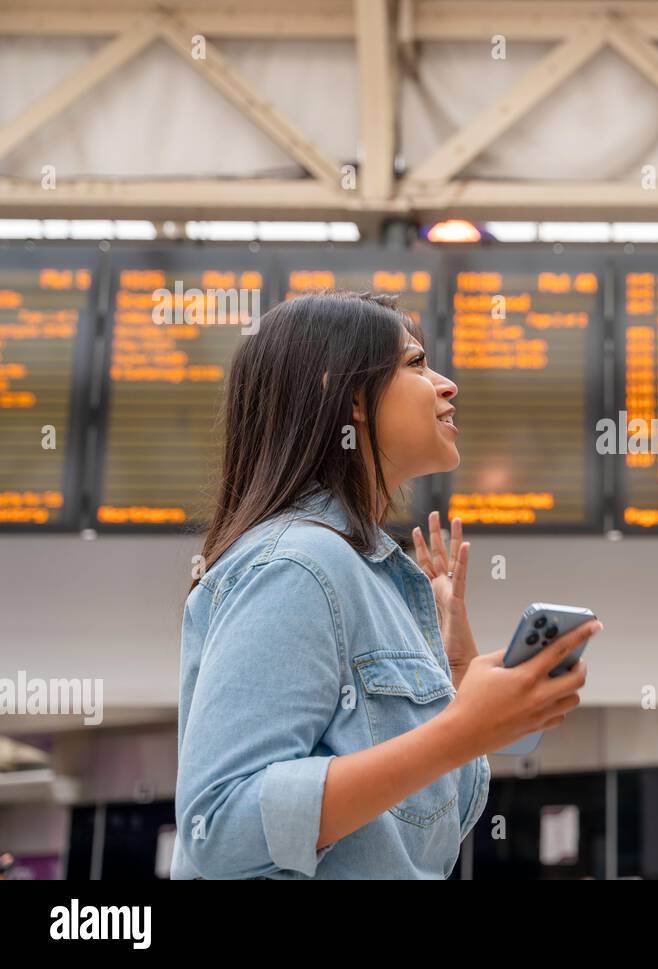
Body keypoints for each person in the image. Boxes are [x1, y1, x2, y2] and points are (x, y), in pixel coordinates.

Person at [171, 291, 600, 879]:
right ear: (349, 397)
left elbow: (423, 827)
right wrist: (458, 732)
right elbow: (218, 826)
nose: (448, 386)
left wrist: (455, 680)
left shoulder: (369, 573)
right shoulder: (297, 564)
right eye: (417, 364)